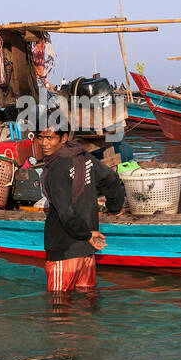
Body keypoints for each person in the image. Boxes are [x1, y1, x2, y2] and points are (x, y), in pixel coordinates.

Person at [36, 118, 126, 301]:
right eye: (40, 138)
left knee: (59, 306)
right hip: (86, 250)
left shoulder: (56, 168)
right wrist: (114, 208)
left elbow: (66, 213)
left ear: (63, 138)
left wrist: (86, 235)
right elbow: (112, 179)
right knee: (87, 300)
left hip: (65, 248)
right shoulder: (84, 157)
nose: (44, 143)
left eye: (49, 138)